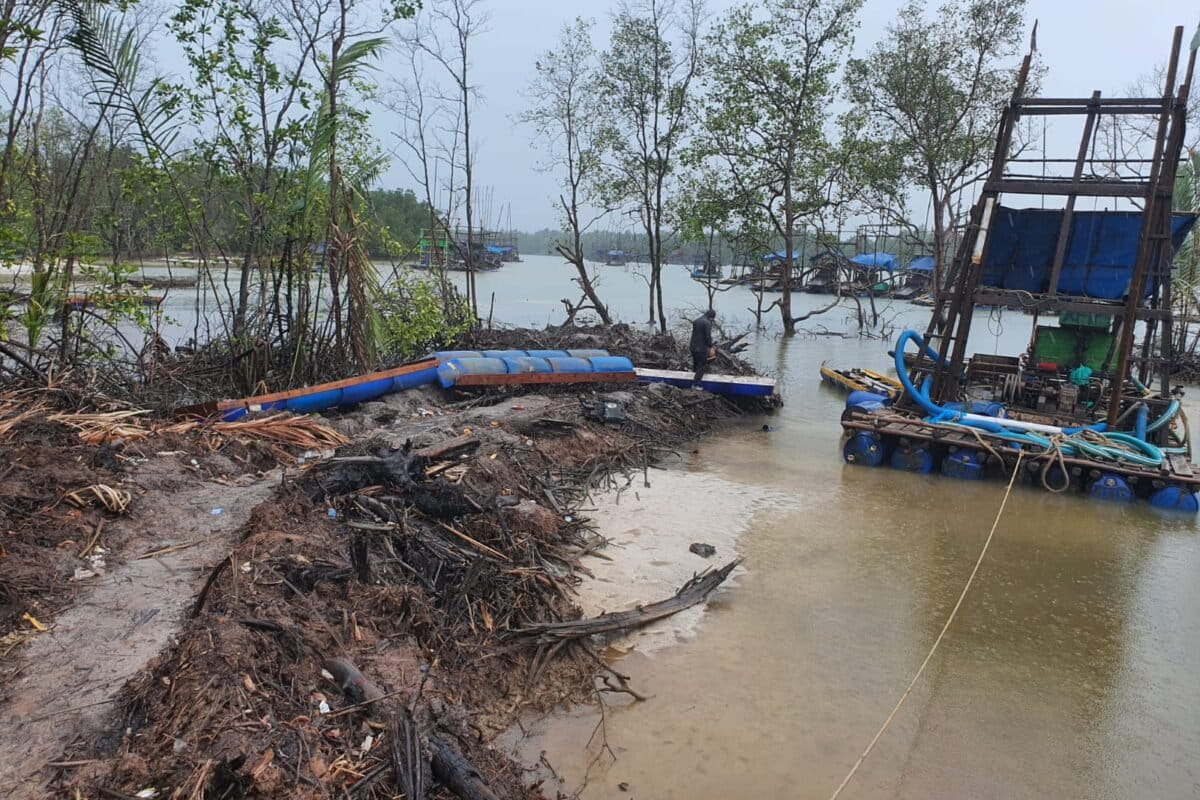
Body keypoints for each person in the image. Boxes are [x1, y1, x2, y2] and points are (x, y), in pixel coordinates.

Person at [690, 309, 717, 385]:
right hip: (701, 348)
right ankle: (695, 385)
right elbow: (707, 336)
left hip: (692, 347)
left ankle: (690, 381)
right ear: (711, 317)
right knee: (702, 366)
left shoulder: (696, 321)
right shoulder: (707, 323)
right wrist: (711, 347)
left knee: (696, 364)